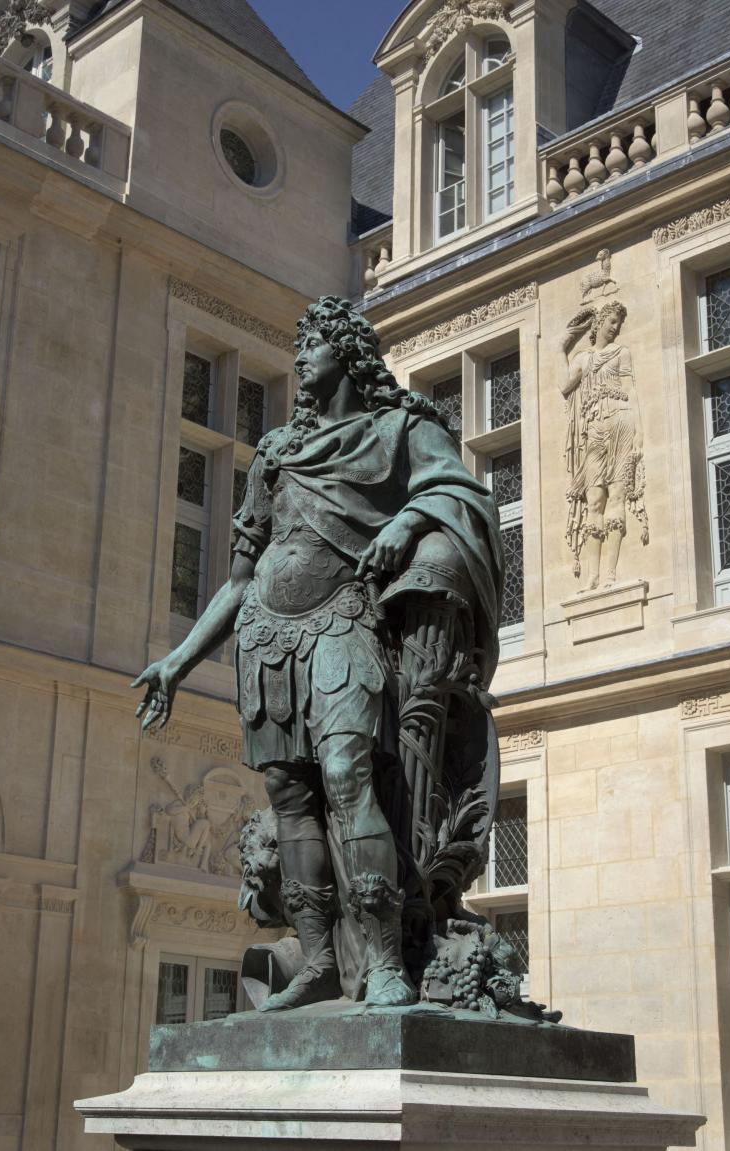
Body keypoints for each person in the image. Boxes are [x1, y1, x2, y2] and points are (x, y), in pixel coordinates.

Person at [133, 296, 503, 1011]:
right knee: (290, 798)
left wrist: (409, 520)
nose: (300, 356)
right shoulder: (274, 453)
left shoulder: (400, 430)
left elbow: (462, 494)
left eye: (314, 342)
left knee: (345, 774)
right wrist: (177, 662)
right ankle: (320, 961)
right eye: (300, 344)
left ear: (348, 351)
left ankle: (385, 961)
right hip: (267, 637)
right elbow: (239, 580)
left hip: (343, 622)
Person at [560, 301, 648, 589]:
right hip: (595, 428)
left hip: (621, 422)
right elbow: (564, 385)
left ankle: (610, 574)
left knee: (618, 496)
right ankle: (593, 575)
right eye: (612, 321)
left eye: (619, 323)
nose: (616, 327)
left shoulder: (622, 353)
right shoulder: (583, 359)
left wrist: (639, 432)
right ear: (599, 323)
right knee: (595, 500)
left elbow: (631, 390)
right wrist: (561, 348)